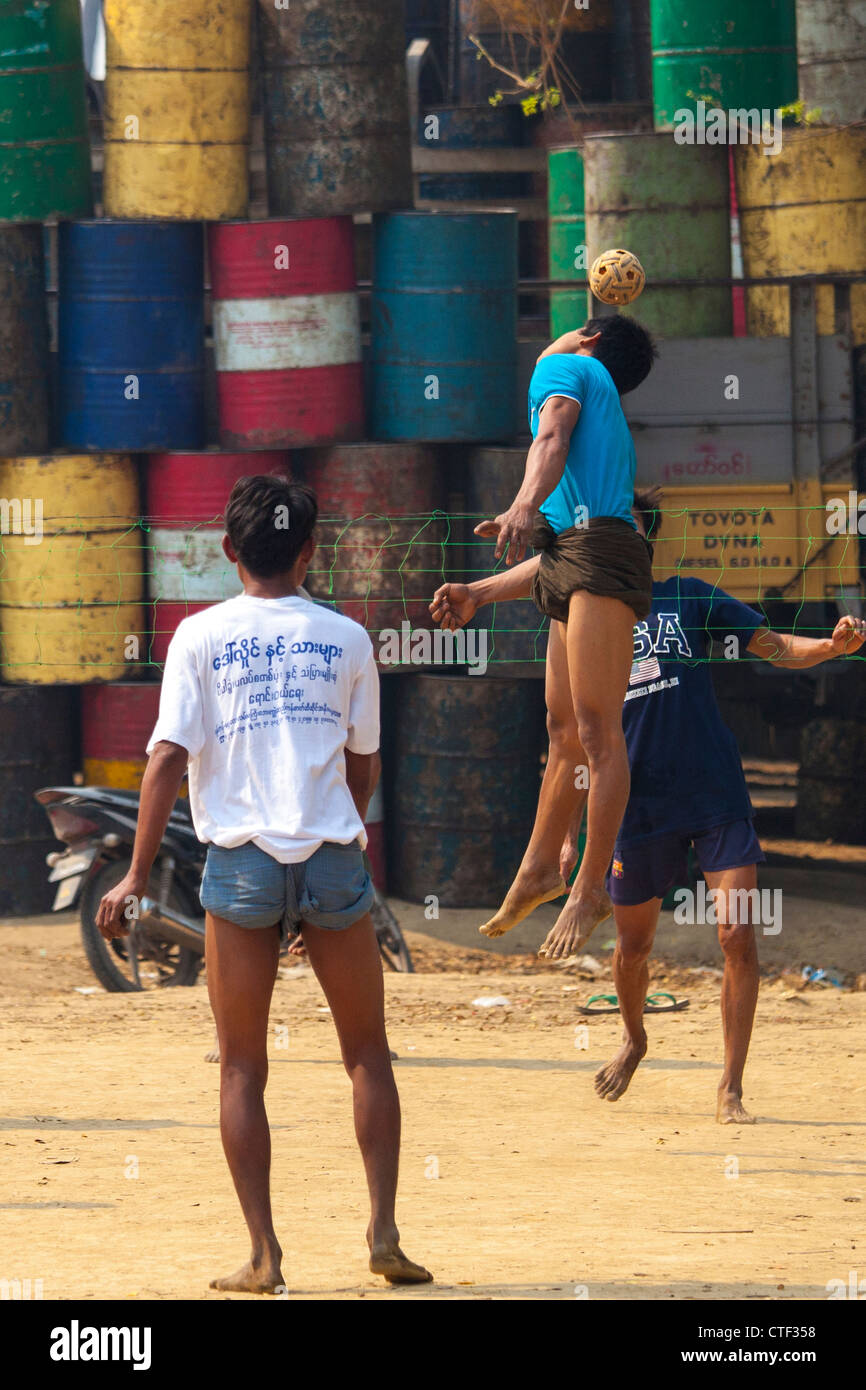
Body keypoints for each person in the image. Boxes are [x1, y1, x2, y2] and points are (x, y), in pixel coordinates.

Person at [431, 487, 866, 1123]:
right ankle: (634, 1038)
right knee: (633, 949)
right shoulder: (578, 616)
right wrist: (571, 834)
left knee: (737, 934)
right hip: (635, 811)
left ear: (646, 541)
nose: (619, 539)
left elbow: (775, 645)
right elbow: (575, 747)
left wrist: (831, 646)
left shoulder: (691, 596)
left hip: (716, 797)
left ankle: (730, 1090)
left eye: (630, 529)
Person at [96, 475, 431, 1292]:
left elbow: (167, 759)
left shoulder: (198, 638)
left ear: (228, 550)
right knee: (367, 1057)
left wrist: (138, 874)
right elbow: (364, 765)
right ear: (311, 551)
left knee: (242, 1067)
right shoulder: (349, 639)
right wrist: (335, 833)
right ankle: (384, 1233)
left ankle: (265, 1256)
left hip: (240, 867)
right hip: (331, 862)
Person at [469, 315, 658, 961]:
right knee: (564, 732)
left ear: (590, 334)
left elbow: (551, 435)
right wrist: (477, 593)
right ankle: (539, 870)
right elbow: (557, 555)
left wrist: (523, 502)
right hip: (574, 555)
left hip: (599, 555)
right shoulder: (595, 378)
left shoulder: (566, 367)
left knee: (600, 733)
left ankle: (590, 888)